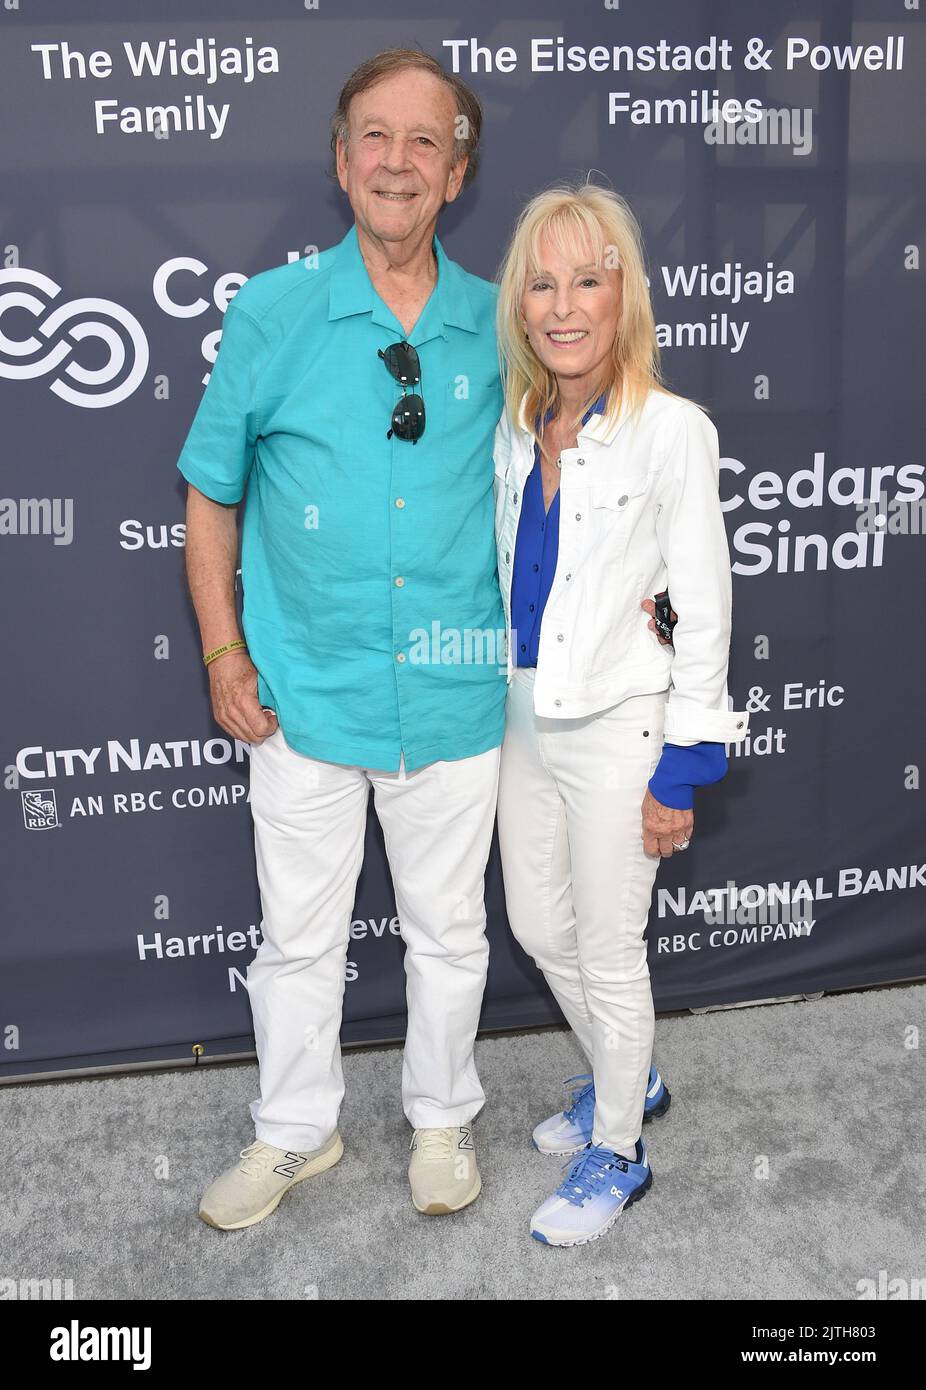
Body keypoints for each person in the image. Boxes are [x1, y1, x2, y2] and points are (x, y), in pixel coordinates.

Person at [177, 48, 508, 1229]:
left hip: (459, 696)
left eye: (426, 142)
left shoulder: (502, 322)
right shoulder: (271, 313)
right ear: (338, 159)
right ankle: (293, 1134)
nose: (397, 163)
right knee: (298, 942)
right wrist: (224, 653)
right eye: (376, 136)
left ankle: (439, 1117)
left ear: (457, 174)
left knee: (448, 936)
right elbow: (210, 491)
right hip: (302, 698)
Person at [492, 181, 750, 1246]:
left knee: (607, 947)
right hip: (521, 718)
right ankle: (626, 1072)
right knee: (532, 922)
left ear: (623, 297)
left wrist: (679, 769)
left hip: (622, 729)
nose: (562, 304)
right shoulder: (516, 426)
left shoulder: (670, 431)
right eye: (541, 283)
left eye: (586, 280)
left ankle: (619, 1152)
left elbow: (702, 603)